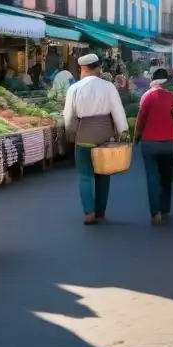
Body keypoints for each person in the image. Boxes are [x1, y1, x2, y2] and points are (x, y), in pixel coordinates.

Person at [63, 53, 129, 225]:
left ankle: (88, 212)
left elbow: (68, 116)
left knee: (84, 175)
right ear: (98, 68)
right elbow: (118, 111)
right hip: (105, 136)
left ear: (82, 69)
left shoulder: (74, 88)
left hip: (84, 135)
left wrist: (70, 134)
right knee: (103, 174)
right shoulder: (108, 87)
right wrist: (123, 132)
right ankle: (100, 212)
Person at [134, 67, 173, 225]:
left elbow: (141, 120)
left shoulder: (147, 97)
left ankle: (155, 213)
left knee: (152, 177)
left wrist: (136, 137)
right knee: (167, 176)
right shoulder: (172, 98)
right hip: (170, 143)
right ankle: (165, 207)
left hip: (150, 144)